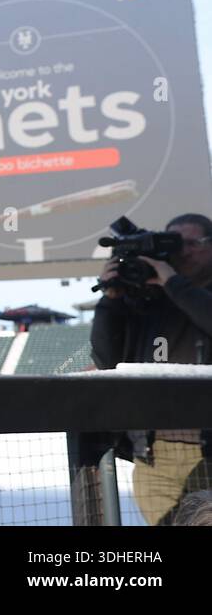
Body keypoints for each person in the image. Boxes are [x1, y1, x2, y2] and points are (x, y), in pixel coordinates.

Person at [92, 213, 212, 525]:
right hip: (153, 457)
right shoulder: (146, 301)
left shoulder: (195, 295)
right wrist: (111, 300)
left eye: (190, 243)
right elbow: (107, 360)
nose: (181, 251)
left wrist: (174, 282)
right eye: (173, 243)